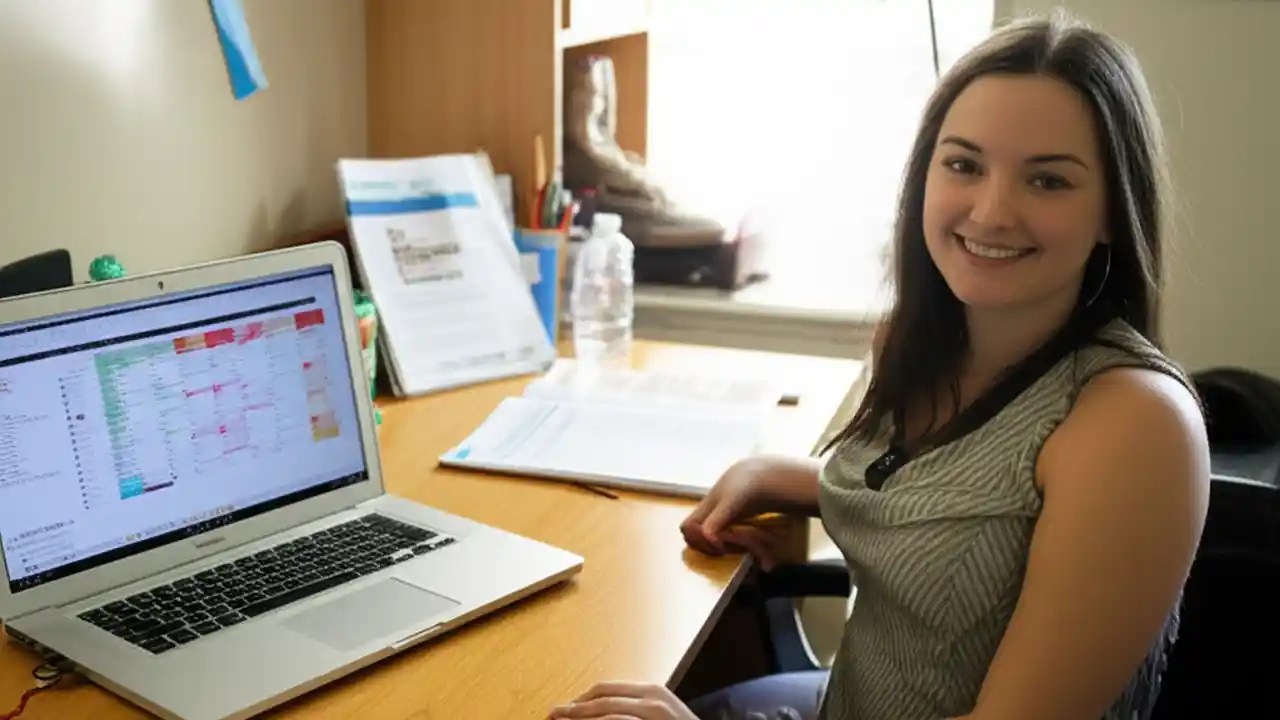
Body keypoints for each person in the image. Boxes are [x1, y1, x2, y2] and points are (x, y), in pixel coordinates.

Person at [549, 9, 1209, 720]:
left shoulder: (1133, 425)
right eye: (964, 165)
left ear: (1112, 209)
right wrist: (779, 476)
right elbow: (954, 501)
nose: (992, 212)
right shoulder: (920, 342)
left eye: (1047, 181)